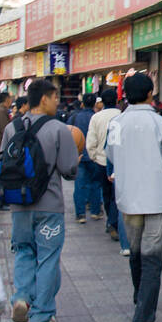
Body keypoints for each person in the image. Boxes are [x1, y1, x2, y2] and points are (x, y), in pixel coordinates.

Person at [0, 79, 79, 322]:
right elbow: (69, 169)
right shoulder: (59, 129)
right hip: (49, 207)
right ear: (43, 99)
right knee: (48, 258)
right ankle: (41, 315)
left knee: (23, 252)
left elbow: (1, 165)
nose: (57, 102)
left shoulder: (12, 127)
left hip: (19, 206)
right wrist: (76, 158)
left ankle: (21, 298)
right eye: (55, 97)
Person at [105, 73, 162, 322]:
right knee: (152, 256)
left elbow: (110, 154)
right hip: (157, 197)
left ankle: (140, 299)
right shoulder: (159, 123)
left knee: (136, 251)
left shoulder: (117, 123)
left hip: (128, 197)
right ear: (151, 94)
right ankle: (144, 317)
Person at [87, 86, 127, 252]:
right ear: (117, 100)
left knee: (106, 192)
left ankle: (111, 221)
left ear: (102, 102)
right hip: (120, 162)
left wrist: (94, 156)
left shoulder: (96, 117)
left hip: (101, 161)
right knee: (117, 195)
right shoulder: (122, 115)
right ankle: (113, 222)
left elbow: (91, 140)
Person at [67, 93, 103, 224]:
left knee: (79, 185)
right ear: (94, 104)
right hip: (94, 156)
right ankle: (95, 212)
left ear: (82, 103)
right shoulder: (97, 117)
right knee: (96, 184)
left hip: (79, 156)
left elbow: (67, 133)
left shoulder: (74, 117)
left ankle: (80, 214)